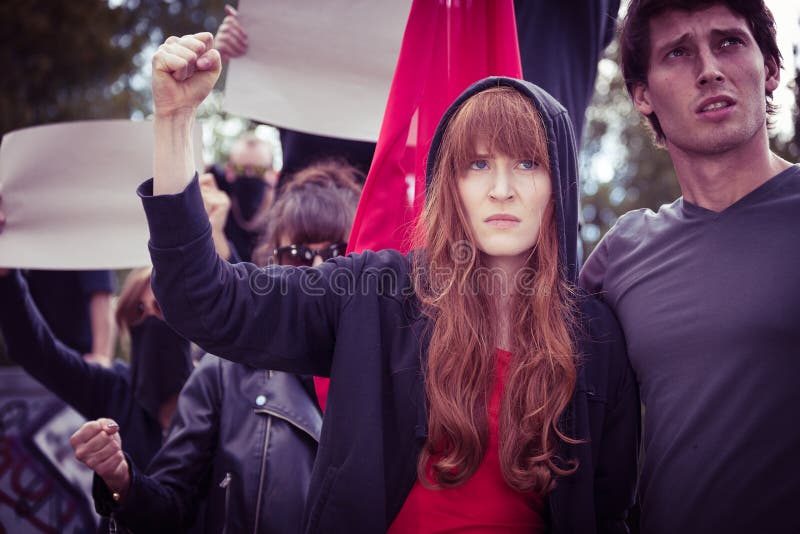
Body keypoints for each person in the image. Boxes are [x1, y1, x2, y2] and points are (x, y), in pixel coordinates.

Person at [83, 34, 638, 532]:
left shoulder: (597, 336)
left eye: (526, 164)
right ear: (448, 186)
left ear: (558, 181)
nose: (500, 188)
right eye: (476, 165)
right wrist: (176, 120)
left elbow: (609, 512)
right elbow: (205, 302)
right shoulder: (376, 293)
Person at [579, 2, 800, 533]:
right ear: (642, 96)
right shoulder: (622, 254)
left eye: (729, 42)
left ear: (769, 68)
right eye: (678, 52)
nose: (708, 69)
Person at [71, 161, 363, 534]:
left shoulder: (397, 369)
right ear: (269, 263)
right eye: (298, 255)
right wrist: (121, 481)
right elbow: (172, 505)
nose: (320, 269)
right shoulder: (224, 371)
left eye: (339, 252)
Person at [208, 131, 279, 261]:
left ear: (272, 174)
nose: (249, 175)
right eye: (241, 169)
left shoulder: (283, 214)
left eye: (258, 170)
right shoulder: (219, 206)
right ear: (229, 171)